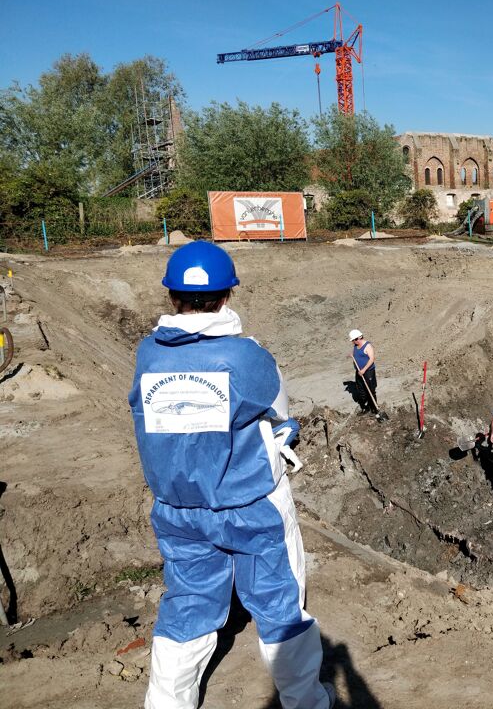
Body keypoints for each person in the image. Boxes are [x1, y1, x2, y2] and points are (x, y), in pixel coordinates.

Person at [129, 241, 334, 709]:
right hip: (250, 505)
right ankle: (305, 701)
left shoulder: (148, 355)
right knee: (280, 607)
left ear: (171, 297)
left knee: (188, 606)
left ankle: (166, 703)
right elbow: (279, 413)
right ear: (226, 296)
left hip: (178, 509)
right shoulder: (245, 356)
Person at [349, 329, 378, 415]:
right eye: (353, 340)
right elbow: (356, 353)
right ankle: (365, 408)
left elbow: (372, 359)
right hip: (359, 372)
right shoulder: (356, 345)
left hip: (368, 372)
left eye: (355, 340)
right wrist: (352, 355)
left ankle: (374, 409)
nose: (354, 342)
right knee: (361, 390)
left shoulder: (367, 346)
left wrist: (364, 370)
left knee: (370, 390)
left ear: (360, 337)